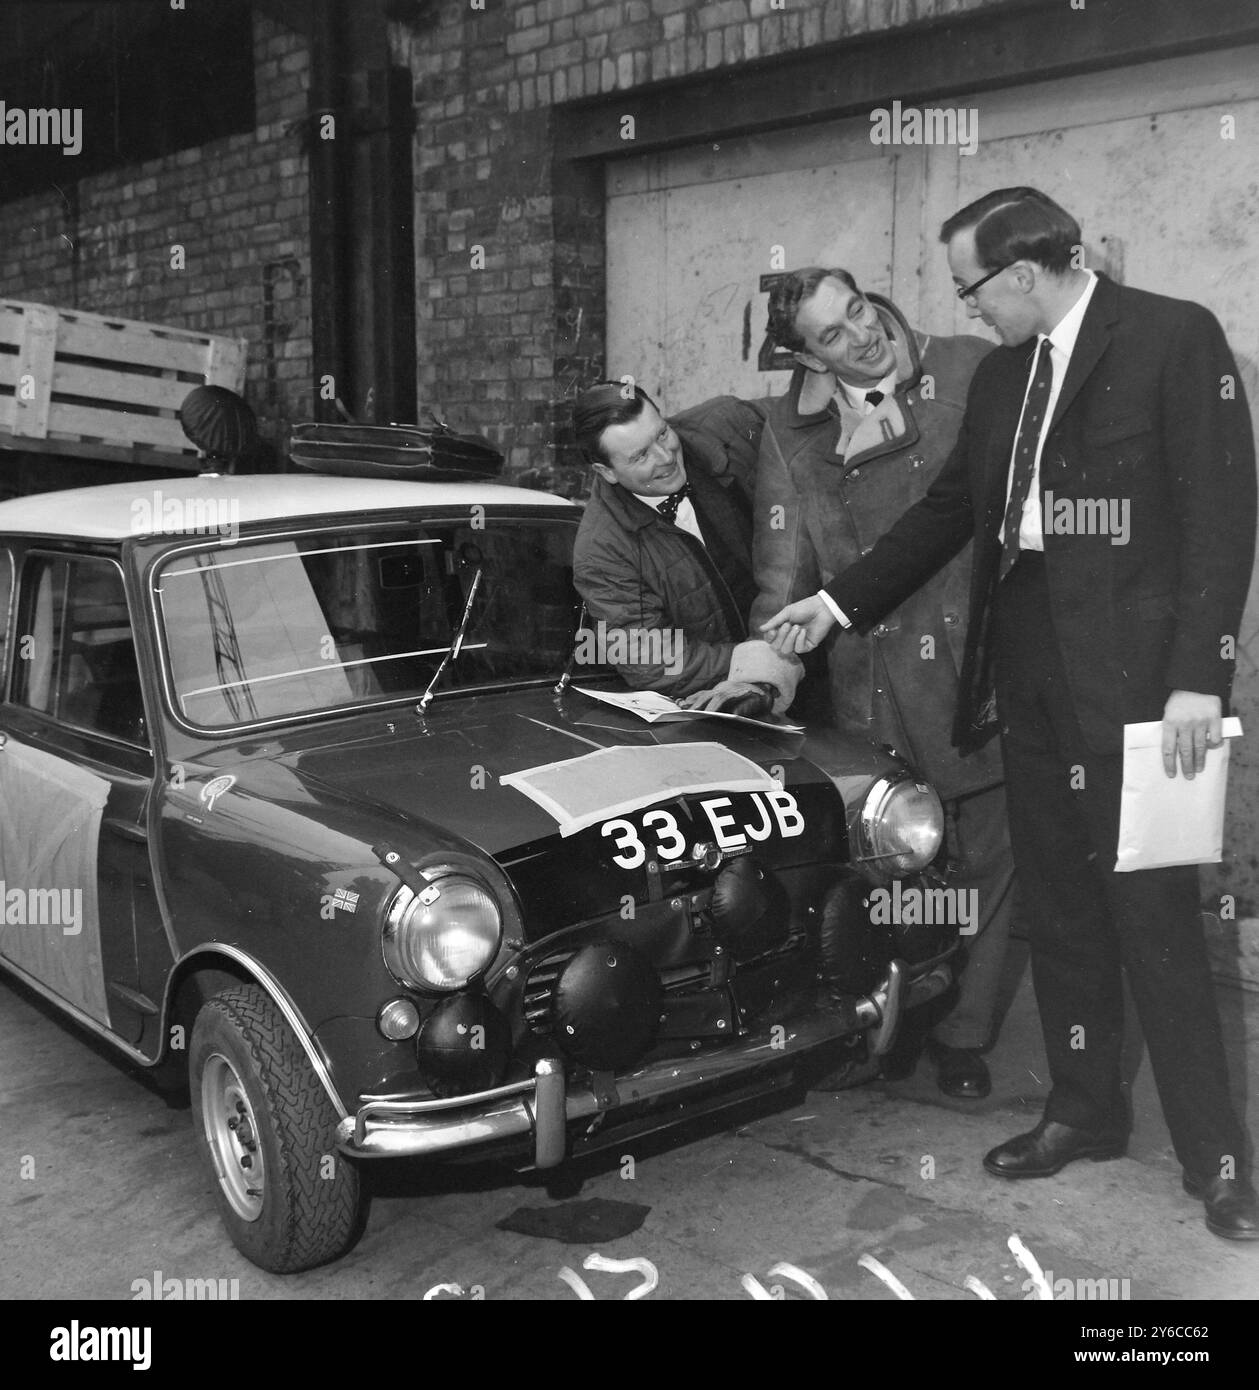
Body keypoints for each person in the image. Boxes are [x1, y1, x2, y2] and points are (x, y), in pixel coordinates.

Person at [761, 186, 1258, 1240]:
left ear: (1023, 274)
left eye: (969, 286)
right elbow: (949, 511)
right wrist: (835, 600)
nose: (962, 308)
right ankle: (1082, 1112)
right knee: (1062, 911)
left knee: (1156, 921)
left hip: (1140, 689)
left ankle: (1217, 1160)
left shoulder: (1172, 337)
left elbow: (1221, 511)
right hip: (1026, 675)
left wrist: (1193, 681)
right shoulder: (998, 378)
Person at [752, 267, 1014, 1099]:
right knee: (894, 866)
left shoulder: (972, 368)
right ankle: (899, 1014)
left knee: (991, 860)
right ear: (807, 357)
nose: (860, 334)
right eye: (832, 334)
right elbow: (780, 572)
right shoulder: (790, 437)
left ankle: (965, 1036)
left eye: (858, 310)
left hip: (976, 669)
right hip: (869, 684)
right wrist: (766, 671)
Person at [571, 381, 796, 713]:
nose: (665, 458)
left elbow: (806, 419)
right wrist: (754, 663)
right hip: (739, 700)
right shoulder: (601, 550)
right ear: (606, 472)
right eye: (640, 455)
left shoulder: (729, 425)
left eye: (661, 434)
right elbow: (647, 658)